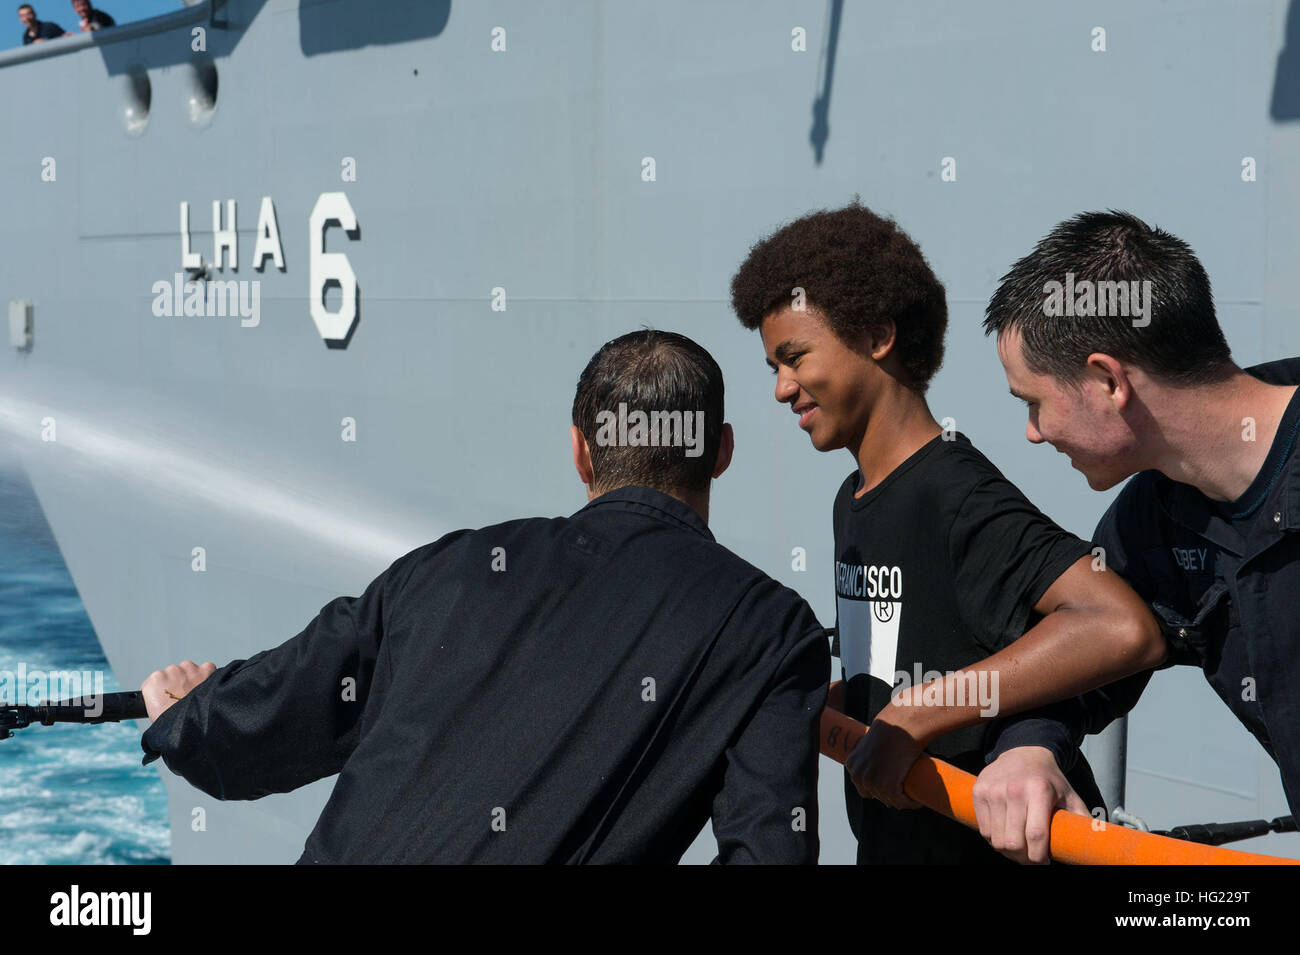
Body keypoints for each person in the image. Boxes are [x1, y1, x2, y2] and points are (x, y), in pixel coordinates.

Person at [139, 330, 831, 864]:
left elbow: (288, 704)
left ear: (581, 453)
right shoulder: (771, 631)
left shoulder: (452, 566)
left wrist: (189, 714)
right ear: (721, 452)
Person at [729, 200, 1167, 864]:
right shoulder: (852, 501)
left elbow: (1119, 625)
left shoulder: (953, 494)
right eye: (774, 368)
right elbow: (900, 670)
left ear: (879, 337)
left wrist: (920, 711)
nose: (782, 388)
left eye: (794, 358)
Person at [978, 209, 1300, 857]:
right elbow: (1082, 656)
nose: (1033, 432)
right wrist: (1028, 748)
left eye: (1032, 401)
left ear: (1107, 380)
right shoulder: (1148, 525)